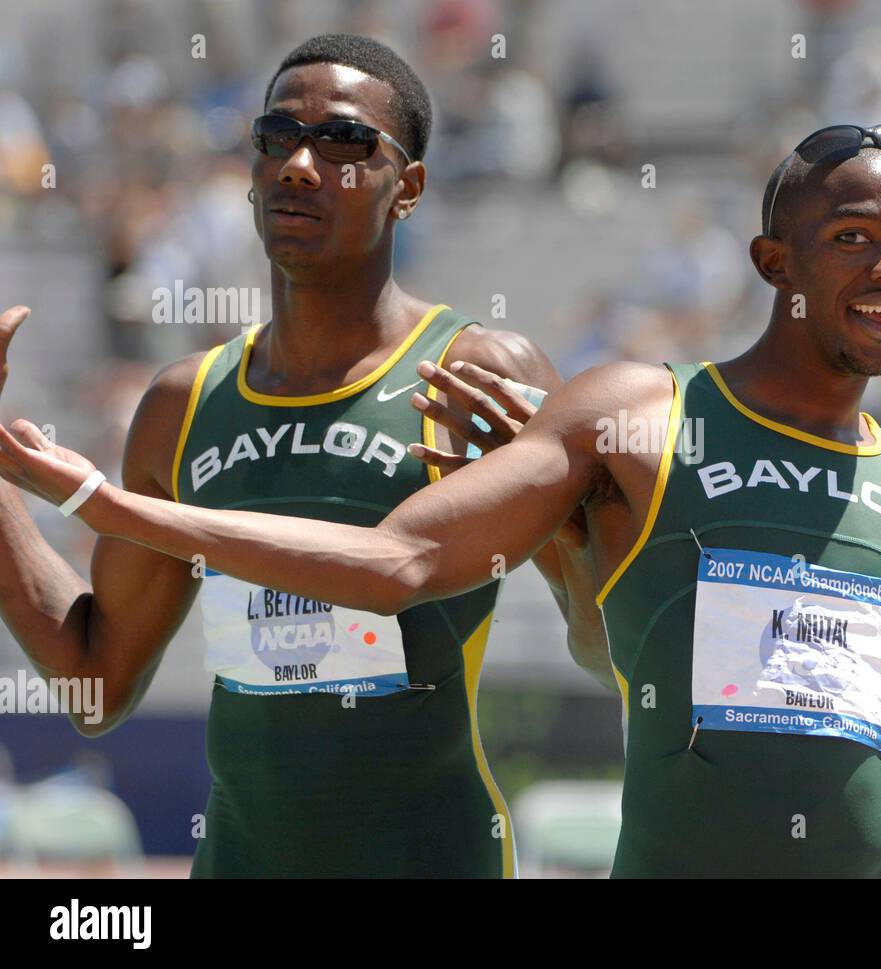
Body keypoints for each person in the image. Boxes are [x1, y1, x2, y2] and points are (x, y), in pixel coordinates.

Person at [5, 123, 881, 878]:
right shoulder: (640, 413)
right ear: (773, 262)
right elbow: (401, 563)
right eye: (856, 237)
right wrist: (123, 510)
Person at [0, 33, 603, 878]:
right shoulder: (184, 404)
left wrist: (571, 531)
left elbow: (611, 654)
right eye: (276, 137)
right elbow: (94, 684)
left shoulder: (481, 374)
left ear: (411, 188)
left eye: (346, 143)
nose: (299, 164)